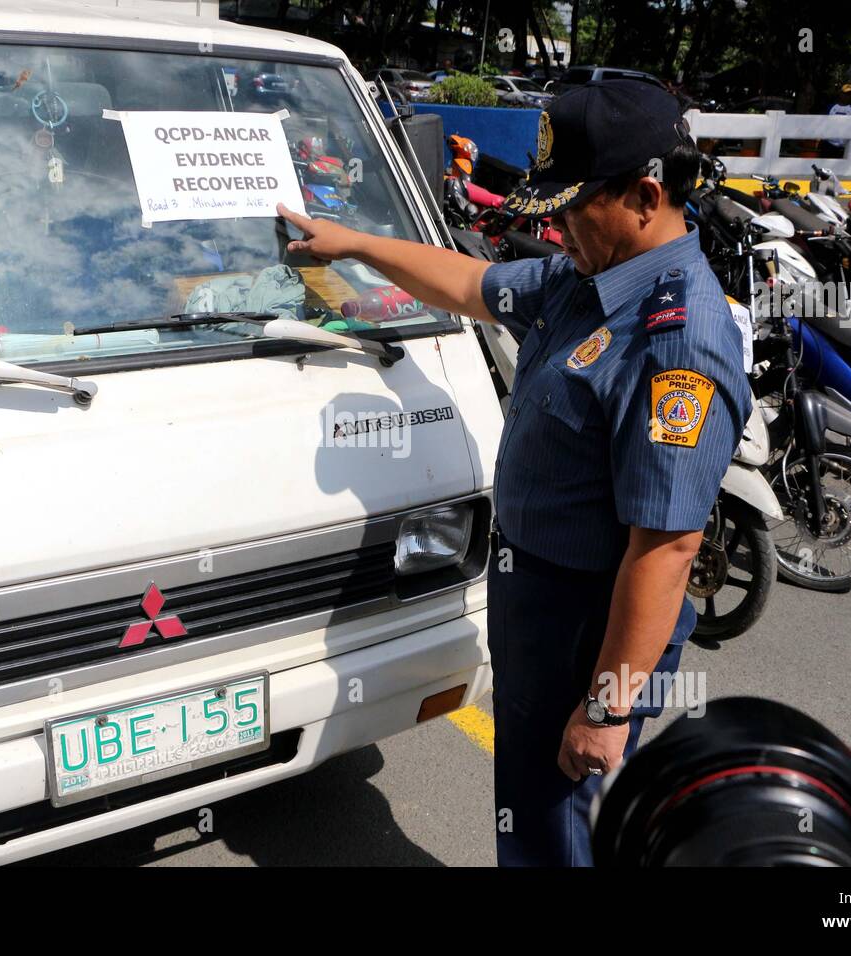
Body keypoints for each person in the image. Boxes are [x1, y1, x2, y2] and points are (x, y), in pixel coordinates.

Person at [275, 79, 750, 866]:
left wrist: (605, 707)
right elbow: (467, 284)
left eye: (573, 205)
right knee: (532, 810)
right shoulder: (587, 279)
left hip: (588, 629)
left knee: (556, 829)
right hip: (538, 603)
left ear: (644, 196)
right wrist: (353, 242)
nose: (557, 225)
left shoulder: (675, 341)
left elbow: (666, 549)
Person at [825, 84, 851, 158]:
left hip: (845, 146)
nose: (847, 96)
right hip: (829, 144)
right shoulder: (830, 107)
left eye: (849, 94)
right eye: (845, 94)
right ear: (840, 94)